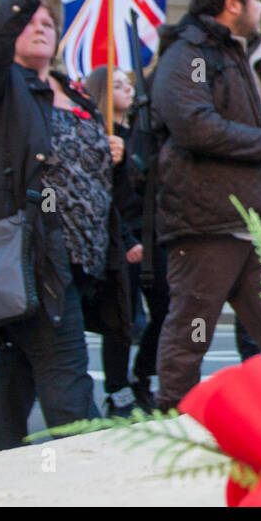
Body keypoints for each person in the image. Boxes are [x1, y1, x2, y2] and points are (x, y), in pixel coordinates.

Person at [0, 0, 129, 454]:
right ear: (9, 28)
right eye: (29, 20)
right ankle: (94, 474)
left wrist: (110, 151)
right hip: (32, 254)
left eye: (48, 21)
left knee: (16, 379)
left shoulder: (73, 90)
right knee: (67, 377)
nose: (40, 25)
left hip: (78, 258)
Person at [150, 0, 261, 409]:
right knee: (189, 333)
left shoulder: (253, 57)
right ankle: (171, 424)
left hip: (260, 222)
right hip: (209, 222)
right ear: (232, 4)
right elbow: (193, 125)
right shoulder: (190, 54)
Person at [84, 66, 166, 415]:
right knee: (122, 317)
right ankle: (117, 392)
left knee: (166, 308)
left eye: (127, 84)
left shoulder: (143, 132)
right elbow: (103, 196)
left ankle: (143, 375)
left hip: (155, 233)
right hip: (121, 238)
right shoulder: (99, 135)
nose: (127, 90)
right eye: (117, 85)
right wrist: (127, 238)